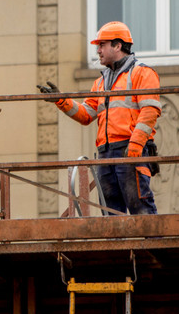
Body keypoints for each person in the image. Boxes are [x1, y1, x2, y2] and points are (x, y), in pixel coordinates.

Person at [38, 21, 161, 215]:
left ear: (118, 45)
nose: (98, 50)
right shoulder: (101, 82)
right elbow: (86, 114)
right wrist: (60, 100)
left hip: (129, 151)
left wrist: (135, 147)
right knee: (111, 216)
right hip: (106, 154)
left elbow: (149, 112)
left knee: (141, 211)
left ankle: (153, 246)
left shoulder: (142, 73)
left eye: (102, 45)